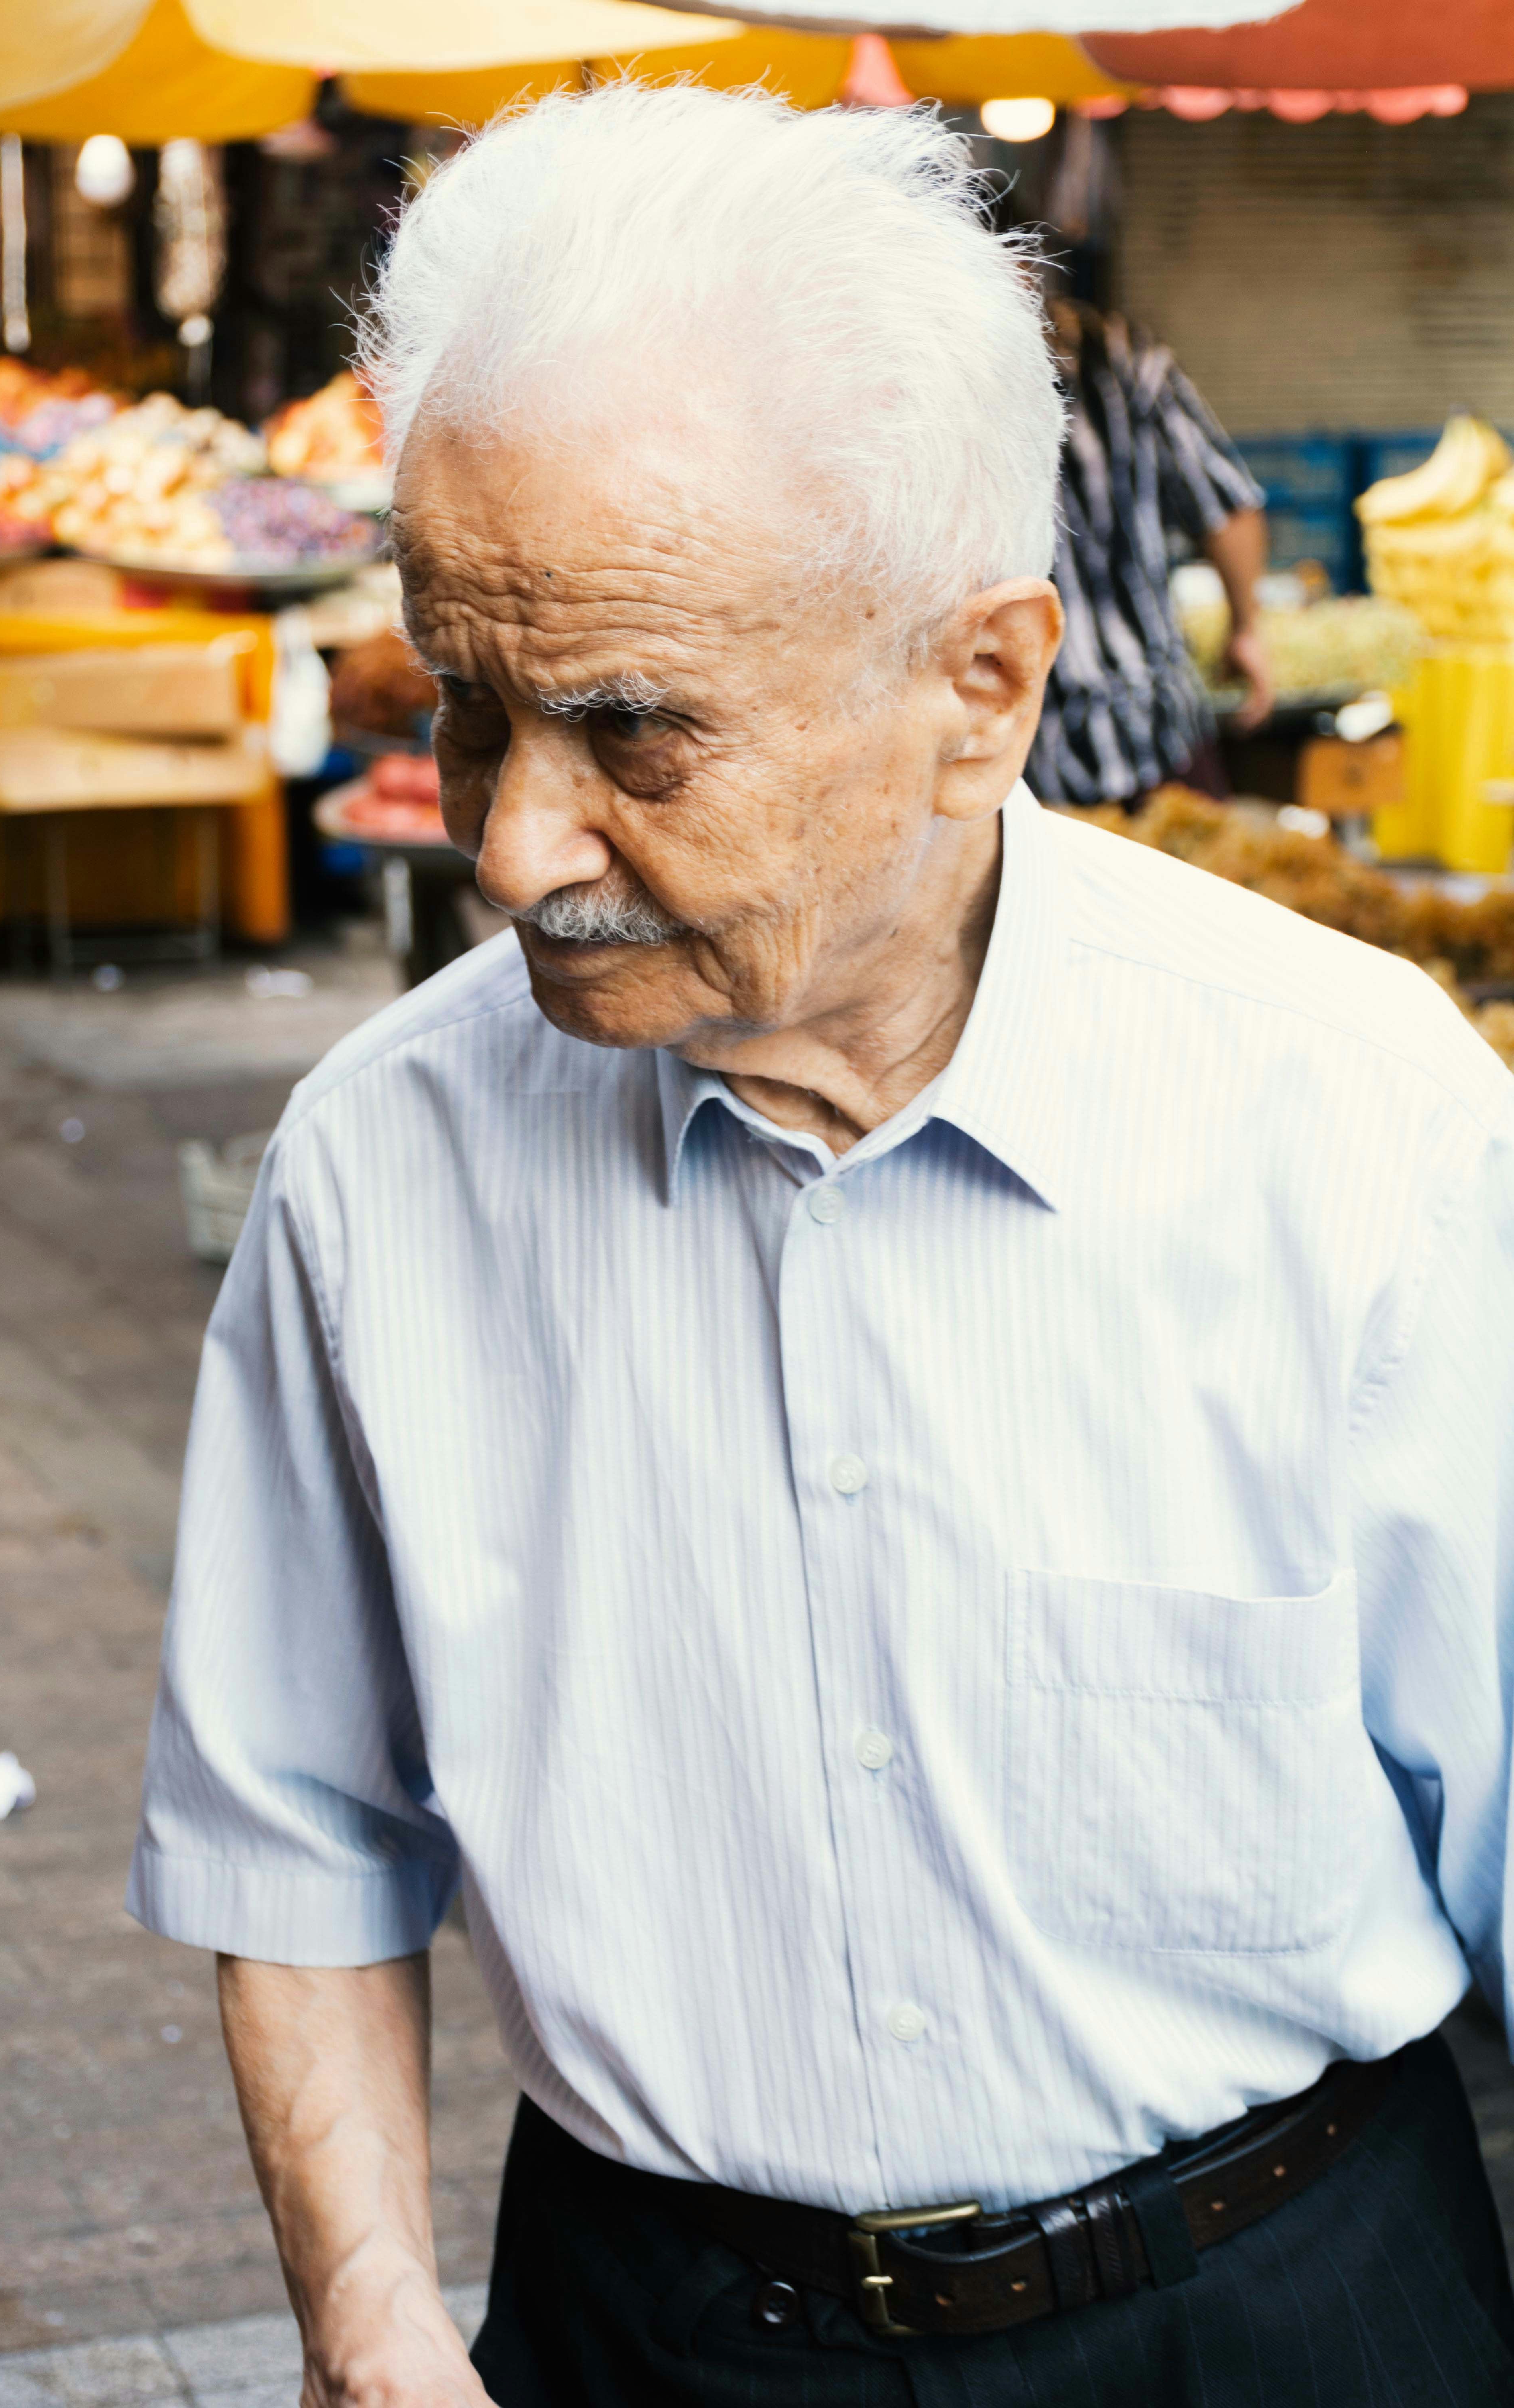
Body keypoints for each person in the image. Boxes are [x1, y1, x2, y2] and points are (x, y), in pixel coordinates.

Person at [129, 83, 1514, 2408]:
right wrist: (371, 2325)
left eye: (630, 732)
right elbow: (288, 1824)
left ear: (980, 687)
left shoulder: (1351, 1117)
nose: (508, 841)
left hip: (1283, 2307)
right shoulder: (381, 1163)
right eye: (462, 703)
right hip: (647, 2330)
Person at [1026, 298, 1275, 808]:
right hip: (1147, 725)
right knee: (1184, 874)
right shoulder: (1124, 355)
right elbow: (1228, 506)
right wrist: (1246, 628)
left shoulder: (931, 357)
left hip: (1016, 746)